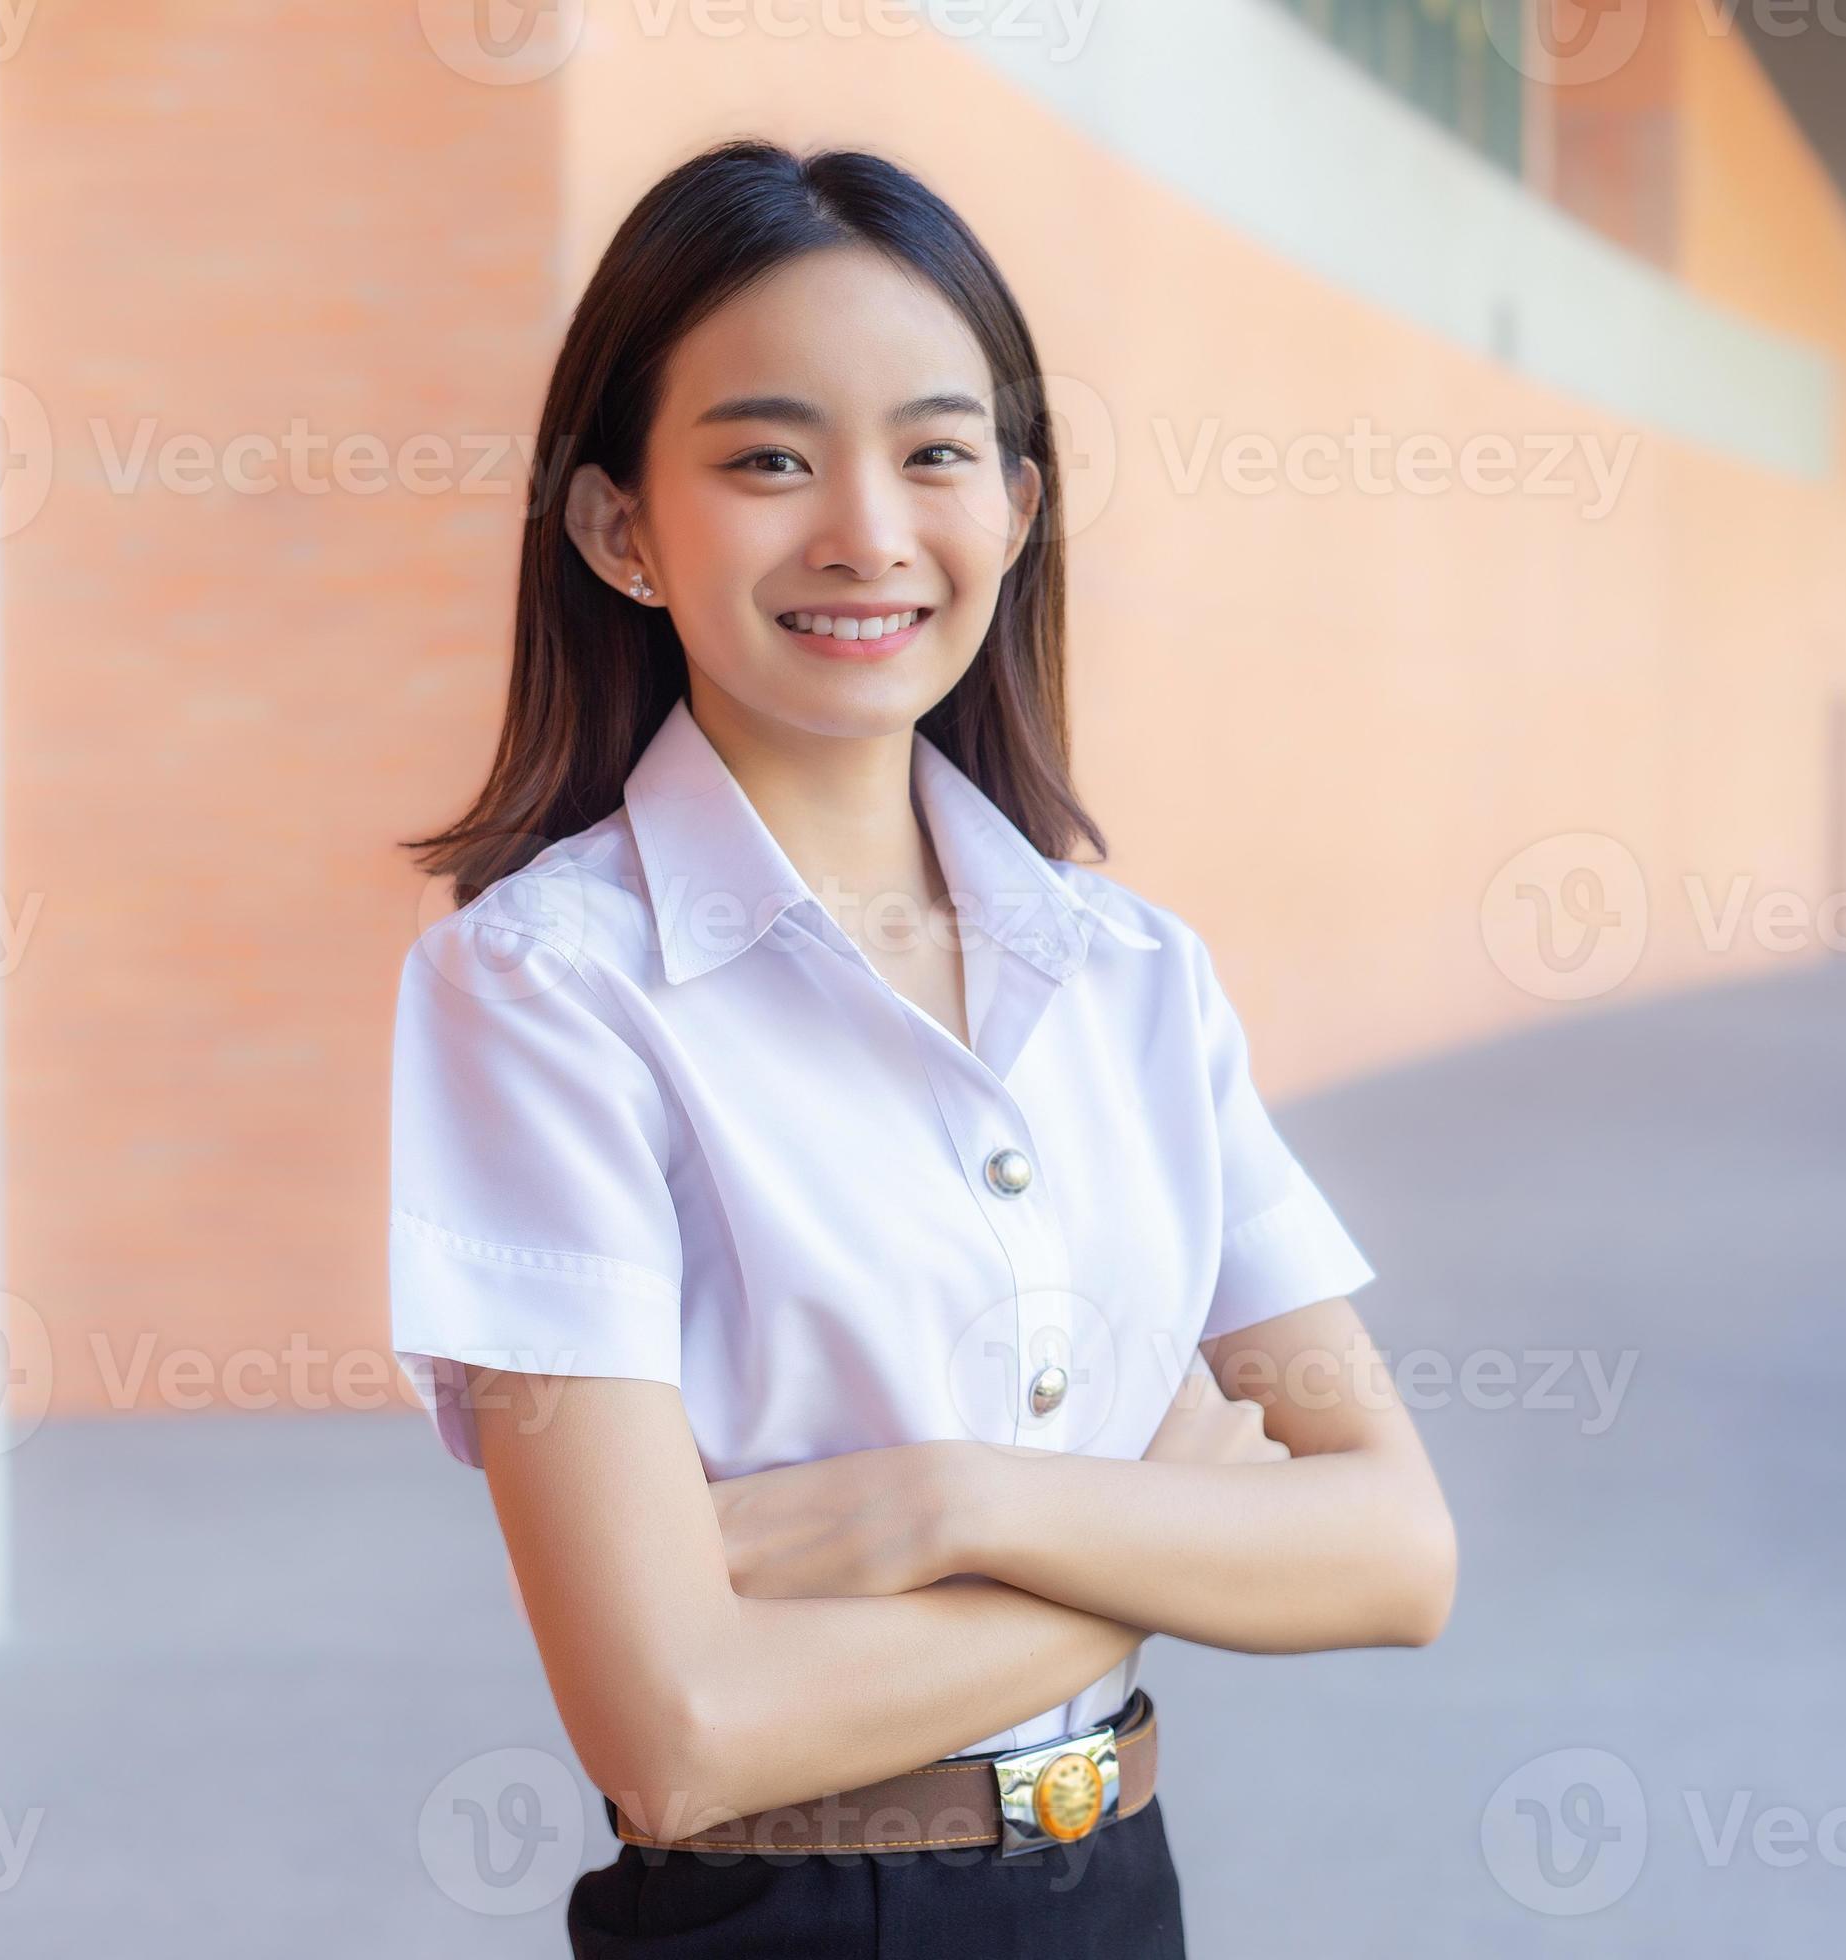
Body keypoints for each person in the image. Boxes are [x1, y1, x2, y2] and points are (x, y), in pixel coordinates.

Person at [387, 137, 1458, 1956]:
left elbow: (1397, 1553)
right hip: (787, 1917)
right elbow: (675, 1730)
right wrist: (1150, 1544)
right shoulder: (548, 989)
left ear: (1018, 508)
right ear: (620, 528)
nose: (868, 530)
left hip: (1120, 1887)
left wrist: (946, 1506)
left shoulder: (1133, 977)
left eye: (938, 451)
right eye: (768, 459)